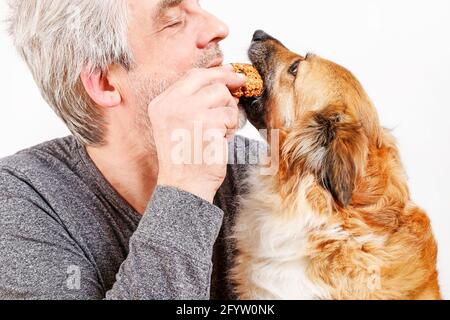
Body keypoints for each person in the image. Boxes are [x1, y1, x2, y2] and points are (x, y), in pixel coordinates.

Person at [0, 0, 261, 299]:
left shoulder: (265, 174)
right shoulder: (20, 204)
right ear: (105, 82)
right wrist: (187, 186)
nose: (218, 28)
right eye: (174, 21)